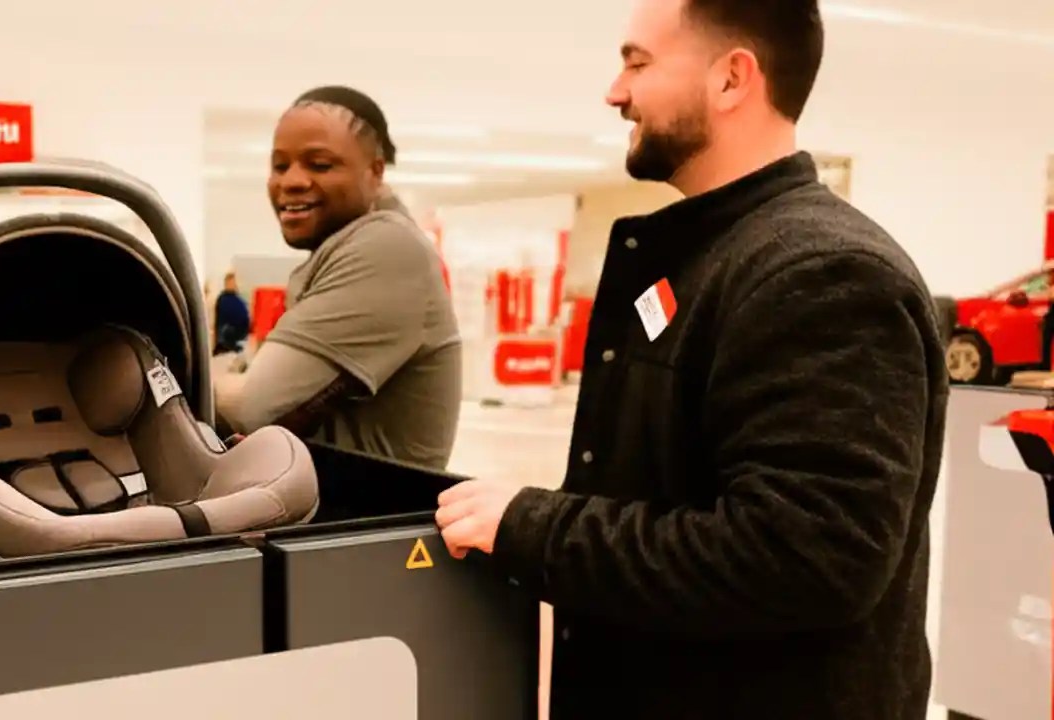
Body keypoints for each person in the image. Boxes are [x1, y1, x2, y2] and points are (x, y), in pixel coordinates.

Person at [434, 0, 948, 717]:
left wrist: (534, 528)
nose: (615, 92)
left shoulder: (823, 273)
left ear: (733, 80)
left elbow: (806, 559)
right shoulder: (711, 257)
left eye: (637, 62)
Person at [213, 85, 462, 470]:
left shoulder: (388, 247)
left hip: (372, 514)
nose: (292, 181)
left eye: (320, 164)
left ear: (375, 172)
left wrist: (185, 378)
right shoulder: (347, 245)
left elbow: (250, 407)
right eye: (280, 166)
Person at [212, 271, 251, 355]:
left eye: (234, 282)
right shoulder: (222, 299)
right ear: (226, 283)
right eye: (230, 282)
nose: (233, 284)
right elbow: (218, 321)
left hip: (240, 338)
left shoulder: (239, 299)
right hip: (226, 338)